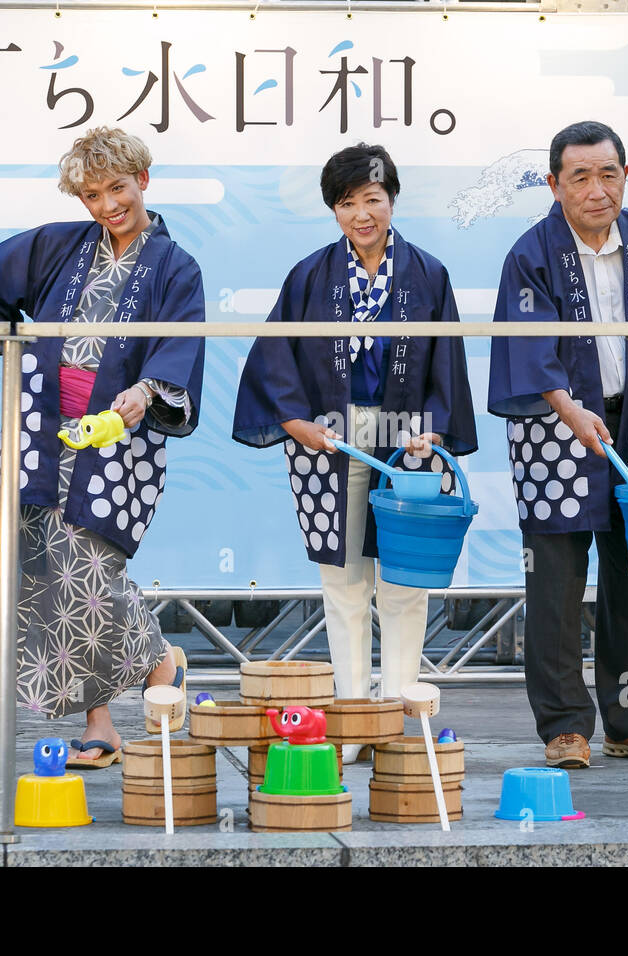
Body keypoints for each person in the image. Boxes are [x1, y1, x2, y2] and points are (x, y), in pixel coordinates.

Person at [0, 127, 204, 768]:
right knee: (40, 573)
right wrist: (0, 336)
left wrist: (145, 390)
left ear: (142, 180)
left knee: (93, 572)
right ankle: (104, 724)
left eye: (117, 188)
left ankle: (157, 662)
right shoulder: (57, 246)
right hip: (40, 428)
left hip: (118, 438)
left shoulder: (176, 267)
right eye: (92, 194)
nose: (107, 205)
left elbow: (178, 350)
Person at [487, 121, 628, 770]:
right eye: (581, 176)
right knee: (557, 582)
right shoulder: (530, 255)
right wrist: (569, 409)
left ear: (626, 175)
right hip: (554, 426)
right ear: (555, 184)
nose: (597, 189)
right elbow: (526, 349)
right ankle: (565, 724)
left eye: (609, 173)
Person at [233, 144, 476, 760]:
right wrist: (295, 422)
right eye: (347, 203)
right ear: (333, 210)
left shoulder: (428, 275)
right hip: (328, 441)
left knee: (403, 582)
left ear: (392, 199)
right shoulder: (310, 276)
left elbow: (446, 365)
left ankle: (395, 718)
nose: (362, 214)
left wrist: (436, 430)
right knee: (343, 584)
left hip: (408, 439)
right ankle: (350, 720)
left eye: (372, 199)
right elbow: (274, 357)